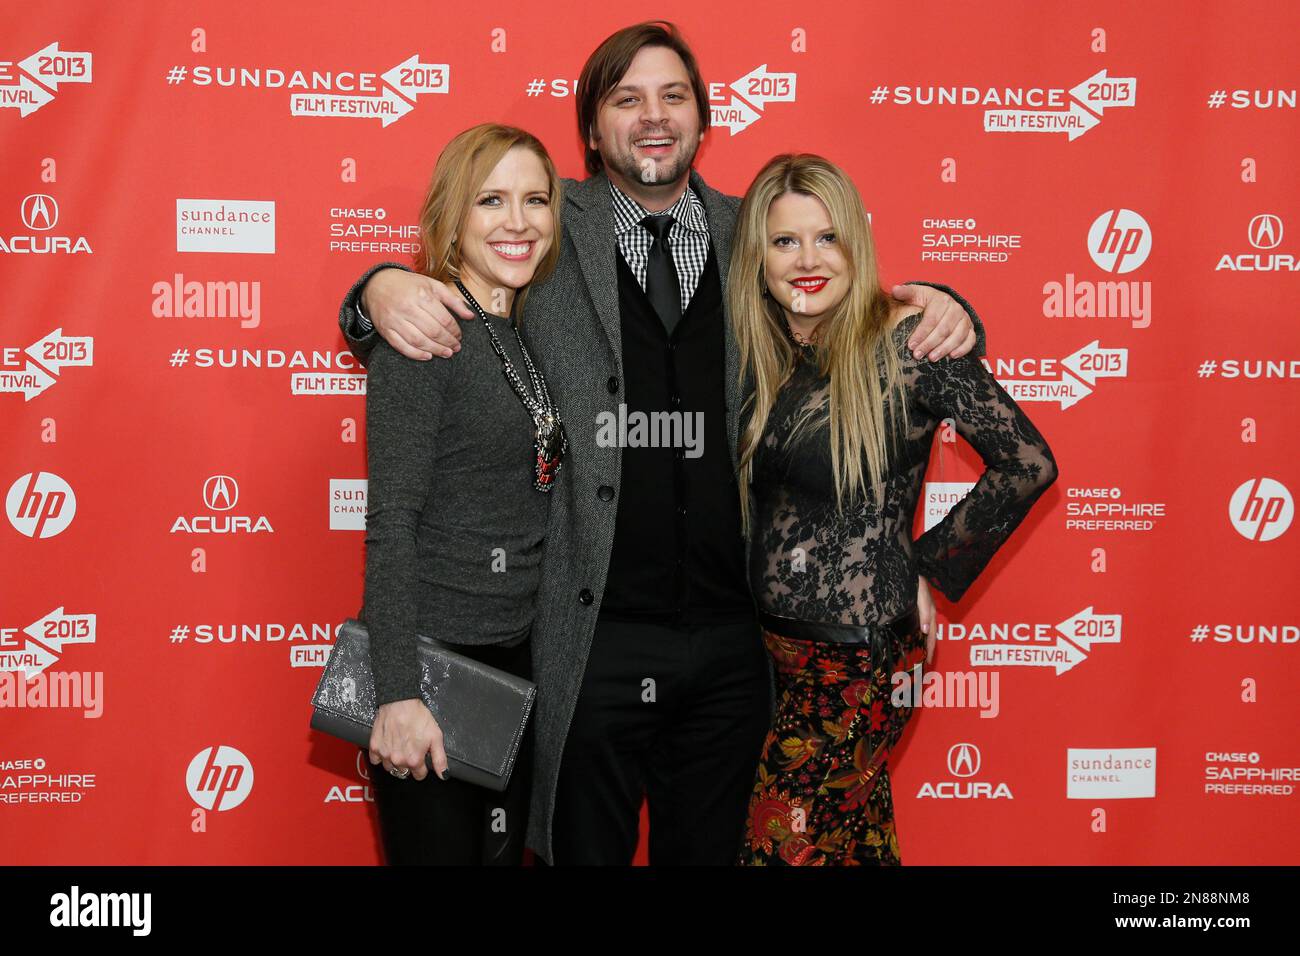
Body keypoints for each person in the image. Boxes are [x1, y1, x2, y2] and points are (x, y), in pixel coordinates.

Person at [338, 21, 986, 865]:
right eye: (626, 98)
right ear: (592, 128)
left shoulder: (751, 233)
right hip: (587, 634)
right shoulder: (545, 224)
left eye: (673, 96)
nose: (652, 116)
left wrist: (946, 304)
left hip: (731, 641)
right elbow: (452, 281)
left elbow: (856, 314)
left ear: (703, 122)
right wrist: (375, 289)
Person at [729, 153, 1058, 865]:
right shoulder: (764, 352)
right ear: (758, 254)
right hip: (774, 658)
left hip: (859, 661)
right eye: (785, 241)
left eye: (827, 238)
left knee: (783, 847)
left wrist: (926, 566)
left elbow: (1028, 464)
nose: (807, 260)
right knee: (856, 842)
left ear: (856, 243)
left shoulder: (906, 344)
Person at [359, 123, 565, 864]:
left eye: (536, 199)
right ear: (453, 214)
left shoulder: (532, 331)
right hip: (431, 667)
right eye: (491, 200)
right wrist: (397, 694)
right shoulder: (424, 336)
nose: (518, 221)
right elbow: (391, 524)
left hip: (516, 663)